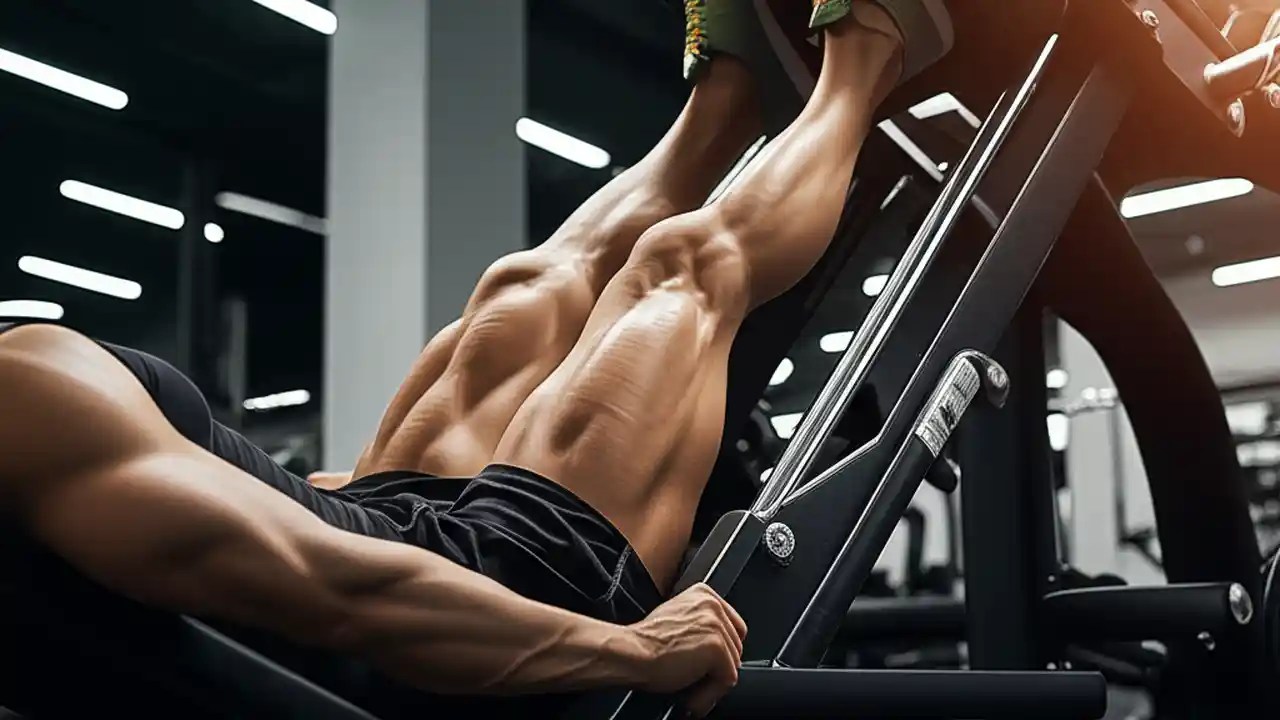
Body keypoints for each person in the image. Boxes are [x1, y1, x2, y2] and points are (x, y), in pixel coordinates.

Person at [0, 0, 951, 716]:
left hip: (375, 526)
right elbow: (339, 594)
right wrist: (631, 652)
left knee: (518, 292)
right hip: (495, 598)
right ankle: (871, 54)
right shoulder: (25, 402)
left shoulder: (28, 374)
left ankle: (732, 104)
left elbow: (246, 533)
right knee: (683, 268)